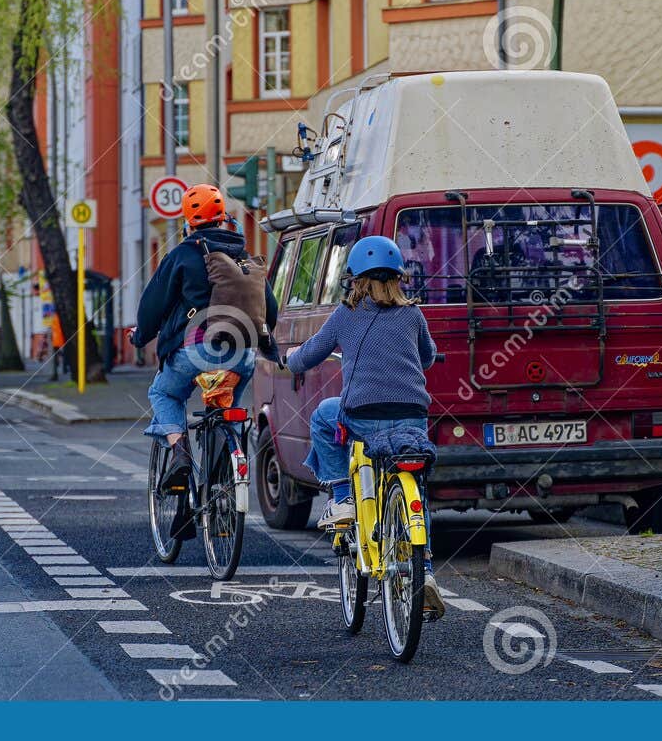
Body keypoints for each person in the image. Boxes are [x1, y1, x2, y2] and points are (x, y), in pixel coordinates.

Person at [284, 235, 444, 619]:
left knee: (324, 415)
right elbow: (428, 357)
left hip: (363, 416)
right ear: (397, 277)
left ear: (354, 279)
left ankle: (341, 498)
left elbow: (309, 355)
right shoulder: (413, 314)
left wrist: (290, 358)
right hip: (410, 416)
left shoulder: (345, 314)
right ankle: (424, 570)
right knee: (415, 486)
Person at [133, 183, 278, 490]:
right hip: (242, 355)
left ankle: (180, 453)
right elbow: (270, 309)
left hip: (195, 352)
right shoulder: (243, 257)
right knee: (226, 411)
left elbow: (152, 306)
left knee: (164, 394)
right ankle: (221, 481)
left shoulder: (182, 256)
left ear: (188, 220)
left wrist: (140, 337)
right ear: (223, 215)